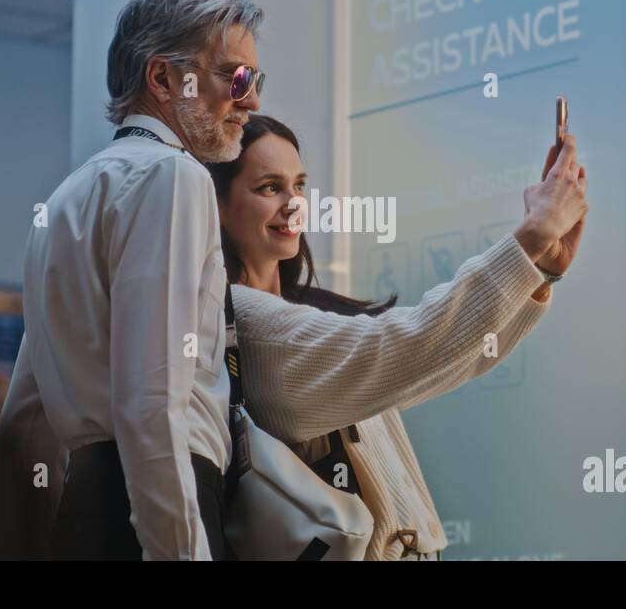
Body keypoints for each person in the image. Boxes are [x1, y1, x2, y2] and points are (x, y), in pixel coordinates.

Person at [206, 114, 587, 560]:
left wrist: (541, 269)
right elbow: (413, 343)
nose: (293, 204)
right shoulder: (248, 322)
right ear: (218, 205)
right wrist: (529, 240)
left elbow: (446, 357)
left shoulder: (308, 312)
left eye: (299, 185)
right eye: (269, 188)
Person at [0, 0, 265, 560]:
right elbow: (151, 401)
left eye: (254, 80)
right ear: (163, 78)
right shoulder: (174, 176)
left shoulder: (65, 198)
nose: (251, 101)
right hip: (157, 512)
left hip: (85, 514)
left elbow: (24, 417)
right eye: (234, 77)